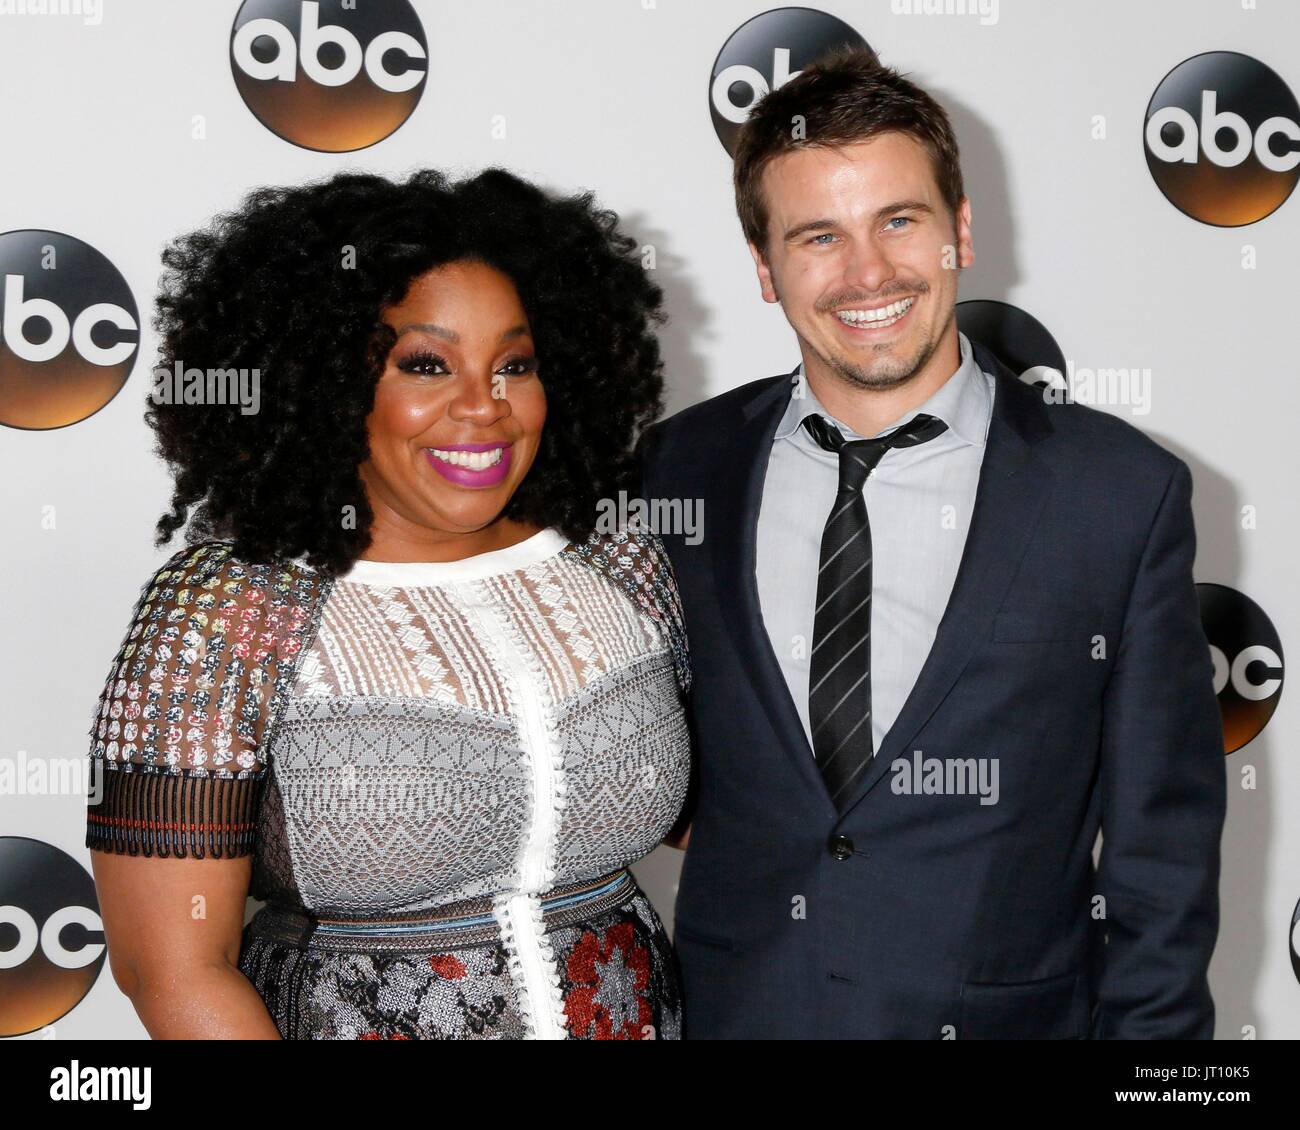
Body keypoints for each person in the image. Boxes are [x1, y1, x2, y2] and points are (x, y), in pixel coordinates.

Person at [639, 47, 1226, 1039]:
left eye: (897, 220)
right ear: (763, 267)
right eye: (817, 235)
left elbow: (1159, 867)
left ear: (960, 227)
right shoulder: (674, 471)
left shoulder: (1116, 494)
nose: (866, 272)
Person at [84, 167, 692, 1040]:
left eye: (514, 363)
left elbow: (727, 813)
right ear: (334, 381)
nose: (483, 406)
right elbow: (171, 969)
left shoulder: (615, 561)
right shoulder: (231, 607)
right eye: (426, 364)